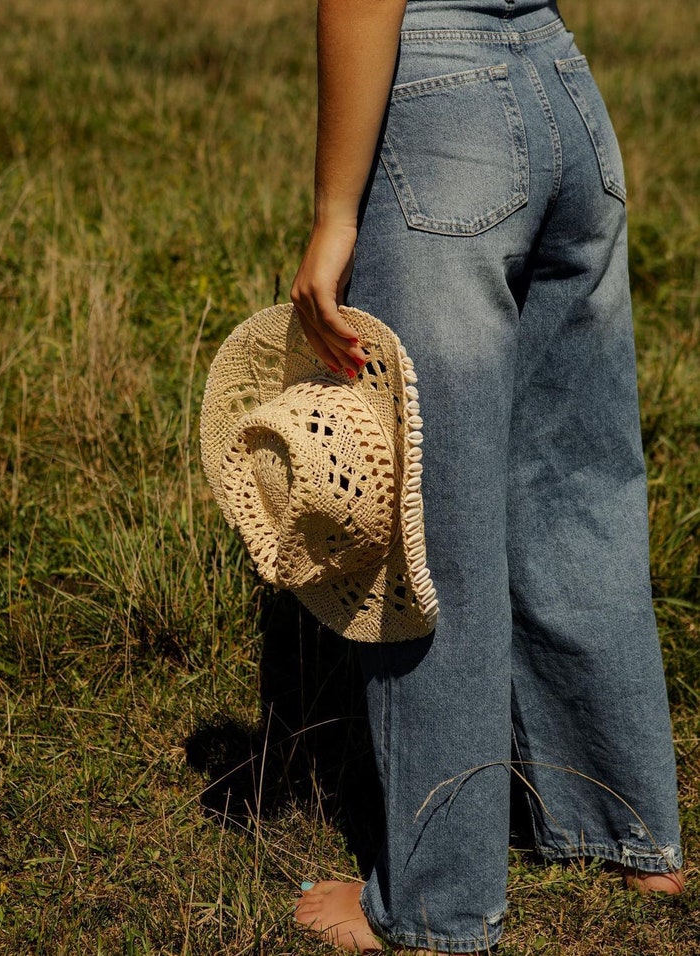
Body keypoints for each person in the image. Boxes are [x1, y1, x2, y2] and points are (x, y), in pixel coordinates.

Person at [290, 0, 685, 952]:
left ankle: (435, 902)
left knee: (431, 514)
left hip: (439, 114)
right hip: (565, 87)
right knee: (577, 486)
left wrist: (334, 212)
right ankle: (633, 830)